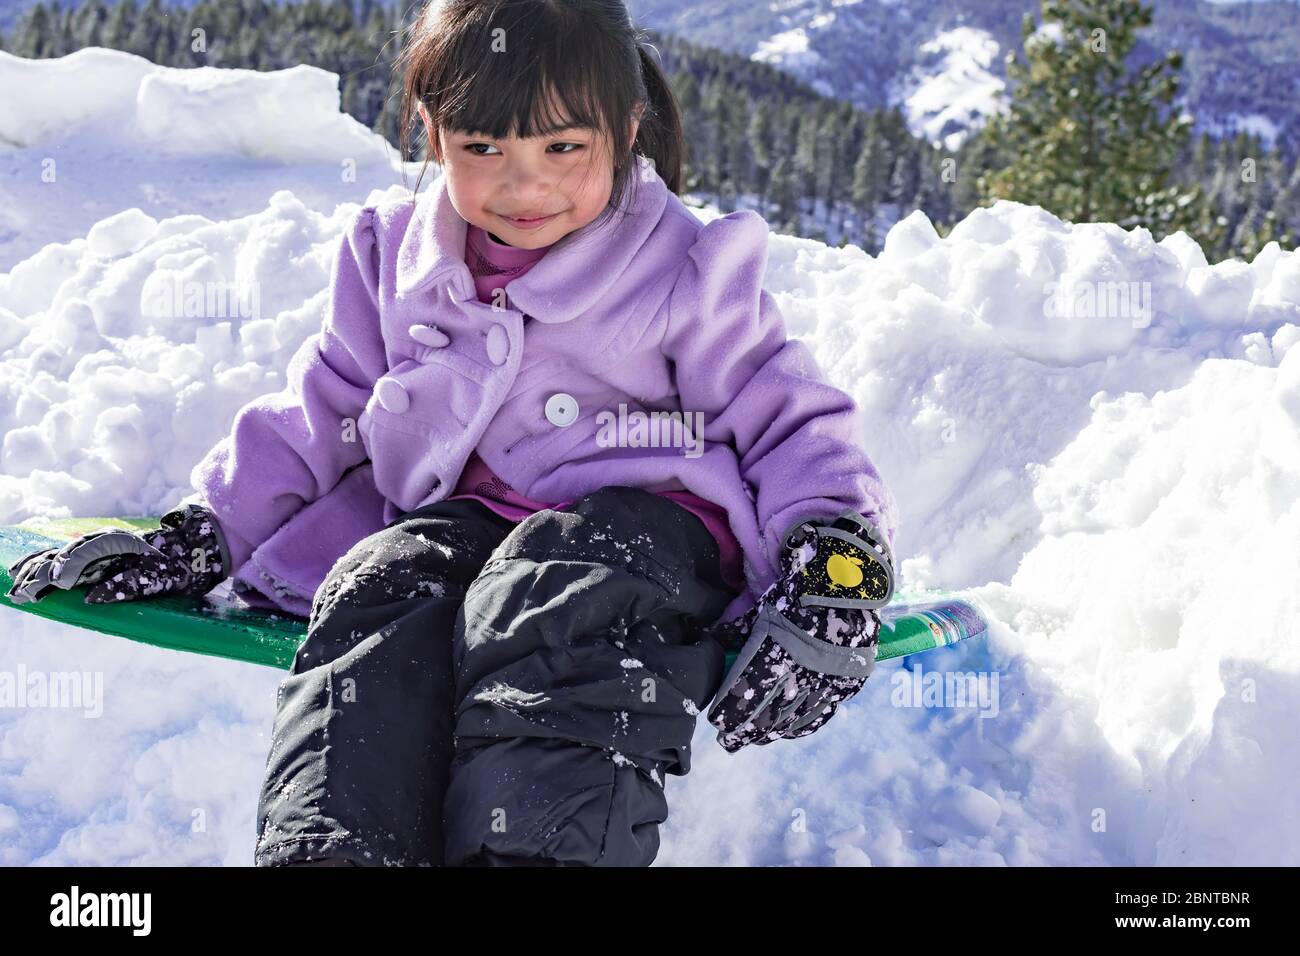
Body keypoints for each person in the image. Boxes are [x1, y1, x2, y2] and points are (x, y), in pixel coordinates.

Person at [4, 0, 899, 867]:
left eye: (563, 147)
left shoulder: (681, 267)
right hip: (472, 526)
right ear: (434, 136)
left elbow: (787, 413)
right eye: (483, 147)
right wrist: (206, 532)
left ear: (627, 131)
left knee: (556, 593)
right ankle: (339, 853)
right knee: (378, 585)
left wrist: (836, 557)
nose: (525, 183)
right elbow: (325, 407)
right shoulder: (394, 255)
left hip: (646, 535)